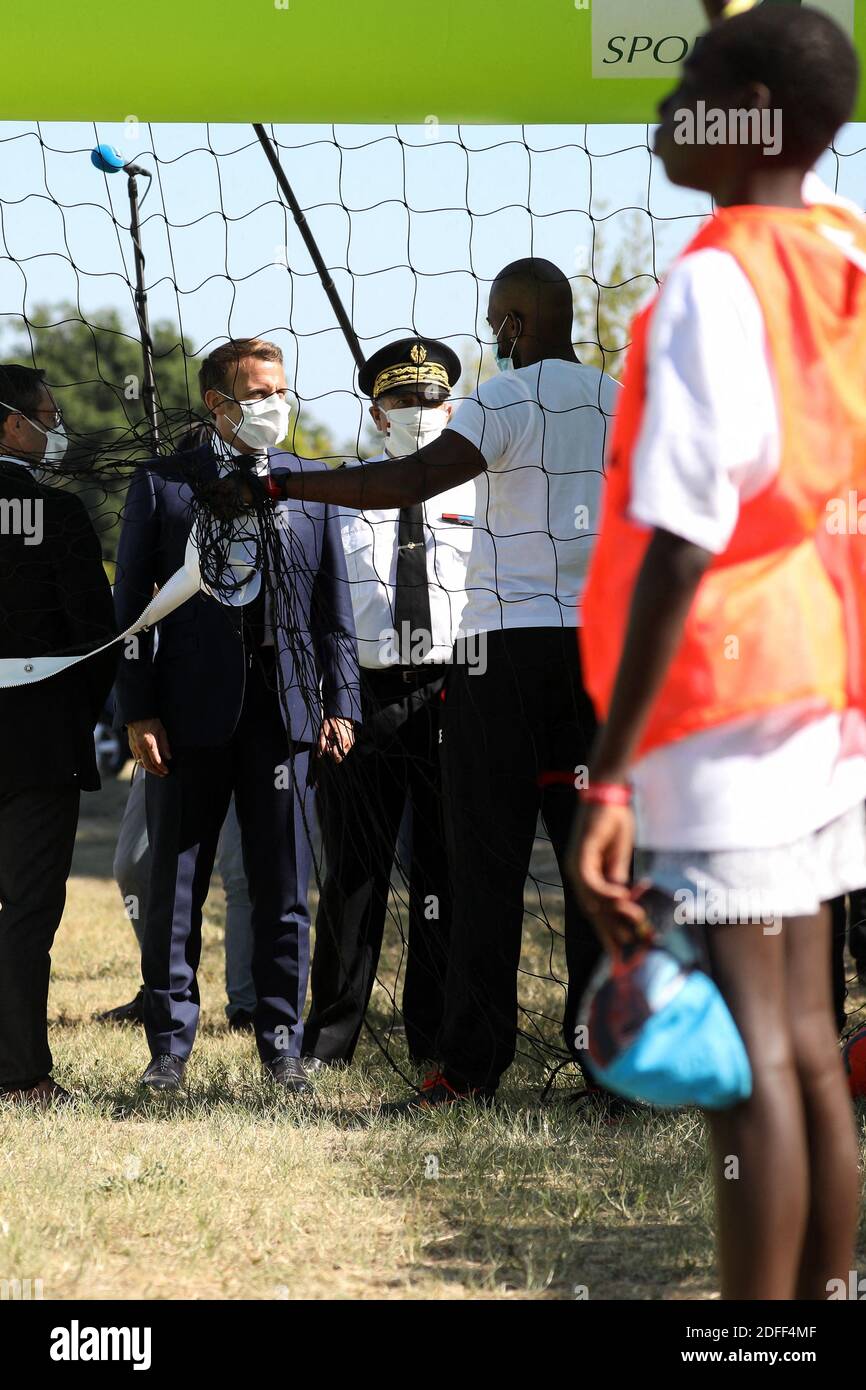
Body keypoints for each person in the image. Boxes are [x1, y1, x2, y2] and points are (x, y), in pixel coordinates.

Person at [568, 8, 865, 1300]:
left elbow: (681, 544)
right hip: (814, 679)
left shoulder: (711, 279)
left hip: (722, 690)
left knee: (746, 1068)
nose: (663, 104)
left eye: (687, 82)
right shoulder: (841, 249)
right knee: (802, 1039)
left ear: (746, 104)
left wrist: (610, 774)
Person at [247, 261, 620, 1107]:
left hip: (500, 659)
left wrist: (284, 479)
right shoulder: (622, 399)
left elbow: (407, 481)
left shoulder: (502, 396)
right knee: (596, 873)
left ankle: (466, 1070)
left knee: (482, 871)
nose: (494, 334)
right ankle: (611, 1071)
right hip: (598, 662)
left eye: (497, 320)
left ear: (515, 326)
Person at [113, 337, 361, 1095]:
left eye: (281, 391)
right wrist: (140, 711)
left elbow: (333, 606)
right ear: (219, 405)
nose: (275, 406)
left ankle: (283, 1048)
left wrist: (341, 703)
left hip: (283, 716)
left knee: (285, 888)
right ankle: (169, 1050)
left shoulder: (311, 482)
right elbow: (131, 610)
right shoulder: (162, 486)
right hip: (187, 720)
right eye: (258, 394)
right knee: (174, 888)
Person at [303, 337, 472, 1070]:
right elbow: (325, 610)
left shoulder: (481, 492)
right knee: (353, 874)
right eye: (401, 400)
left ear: (451, 406)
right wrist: (328, 700)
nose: (418, 411)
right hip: (363, 699)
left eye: (430, 399)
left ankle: (434, 1035)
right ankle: (331, 1039)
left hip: (451, 693)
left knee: (445, 874)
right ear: (377, 414)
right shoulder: (346, 495)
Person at [0, 364, 117, 1106]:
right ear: (10, 423)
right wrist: (68, 718)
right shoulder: (60, 515)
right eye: (47, 414)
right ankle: (20, 1076)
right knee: (27, 910)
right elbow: (96, 643)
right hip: (36, 747)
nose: (56, 426)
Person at [97, 775, 256, 1031]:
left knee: (241, 875)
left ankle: (246, 1010)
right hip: (171, 742)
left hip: (247, 742)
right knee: (133, 866)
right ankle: (163, 988)